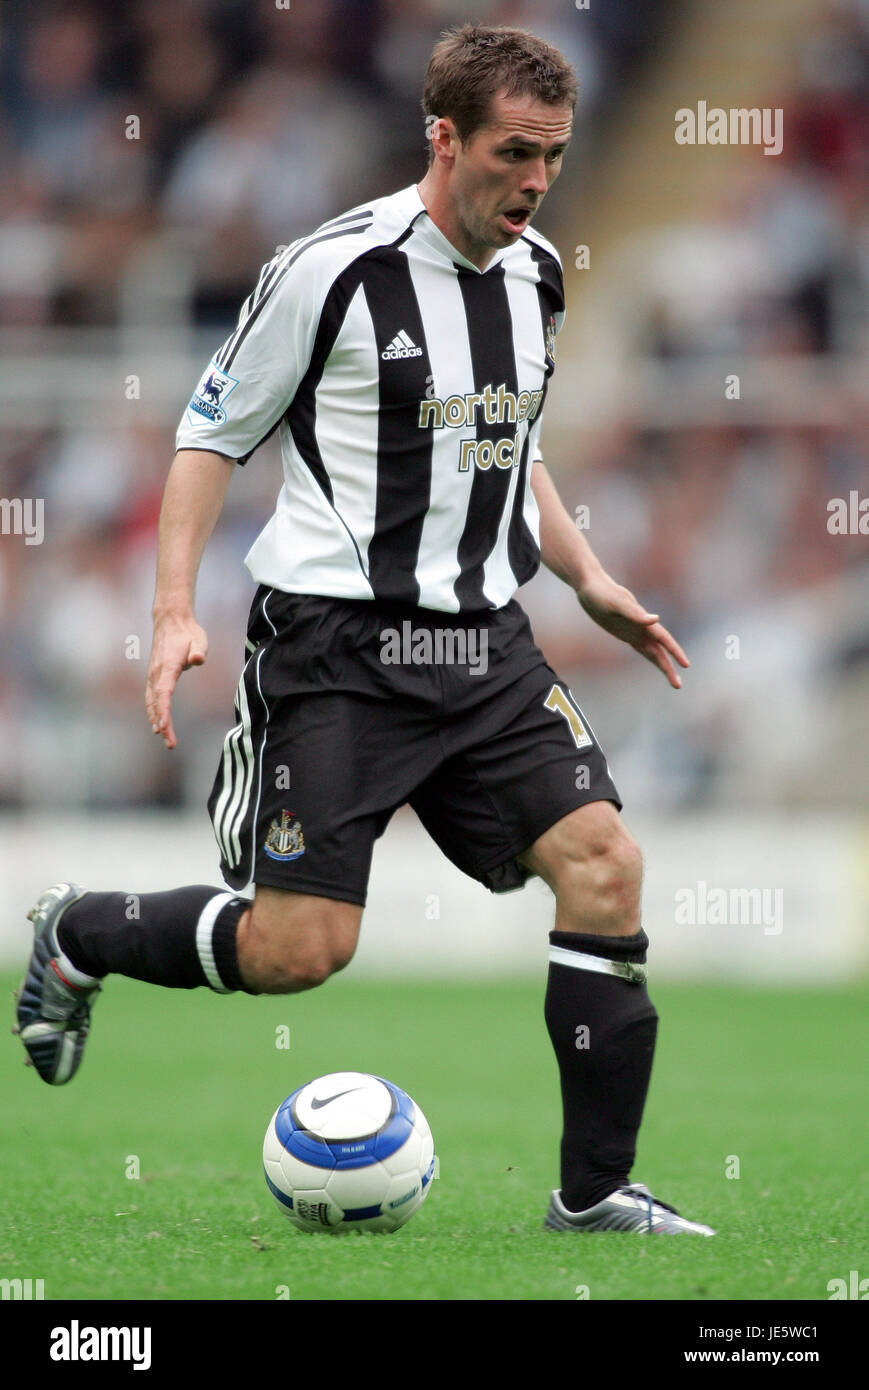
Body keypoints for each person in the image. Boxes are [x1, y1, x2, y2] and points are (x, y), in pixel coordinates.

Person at [15, 24, 714, 1236]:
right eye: (514, 153)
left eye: (554, 154)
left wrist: (587, 575)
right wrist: (174, 607)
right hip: (337, 654)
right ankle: (80, 931)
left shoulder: (537, 270)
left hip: (487, 648)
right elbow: (207, 434)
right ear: (442, 138)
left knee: (602, 865)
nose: (537, 179)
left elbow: (511, 445)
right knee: (298, 951)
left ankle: (593, 1192)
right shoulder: (328, 270)